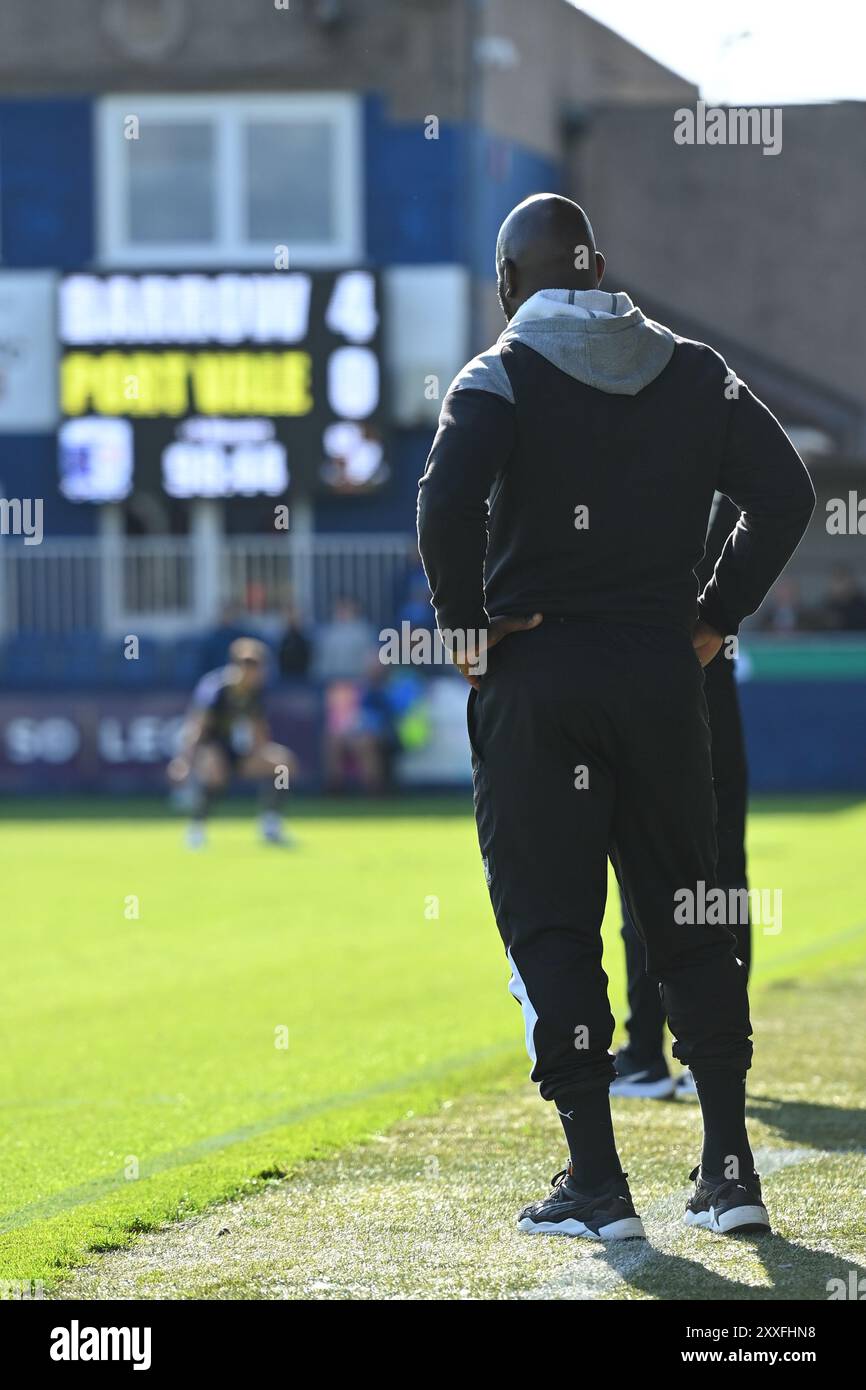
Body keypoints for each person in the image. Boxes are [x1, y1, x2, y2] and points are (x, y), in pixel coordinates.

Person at [417, 193, 814, 1241]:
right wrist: (711, 618)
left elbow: (442, 500)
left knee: (551, 926)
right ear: (593, 269)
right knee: (691, 916)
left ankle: (596, 1183)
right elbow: (785, 493)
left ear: (509, 284)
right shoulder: (690, 368)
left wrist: (464, 631)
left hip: (538, 681)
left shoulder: (496, 371)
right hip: (656, 679)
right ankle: (728, 1171)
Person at [612, 495, 752, 1100]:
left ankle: (650, 1050)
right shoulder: (709, 478)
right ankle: (710, 1050)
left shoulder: (625, 474)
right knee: (719, 876)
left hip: (644, 690)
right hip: (701, 690)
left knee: (646, 868)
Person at [169, 637, 297, 848]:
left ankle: (270, 825)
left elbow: (259, 730)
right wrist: (184, 761)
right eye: (258, 668)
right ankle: (196, 829)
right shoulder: (216, 689)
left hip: (237, 749)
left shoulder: (254, 692)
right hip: (209, 747)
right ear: (243, 667)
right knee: (215, 769)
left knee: (282, 764)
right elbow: (197, 728)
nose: (261, 674)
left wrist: (262, 754)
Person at [312, 597, 377, 682]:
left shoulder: (365, 632)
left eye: (345, 607)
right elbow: (318, 661)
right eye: (339, 608)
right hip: (330, 681)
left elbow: (372, 659)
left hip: (357, 680)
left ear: (355, 609)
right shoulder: (325, 633)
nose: (342, 611)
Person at [277, 602, 313, 679]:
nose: (292, 619)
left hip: (302, 680)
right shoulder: (280, 640)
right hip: (284, 681)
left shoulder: (305, 640)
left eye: (295, 617)